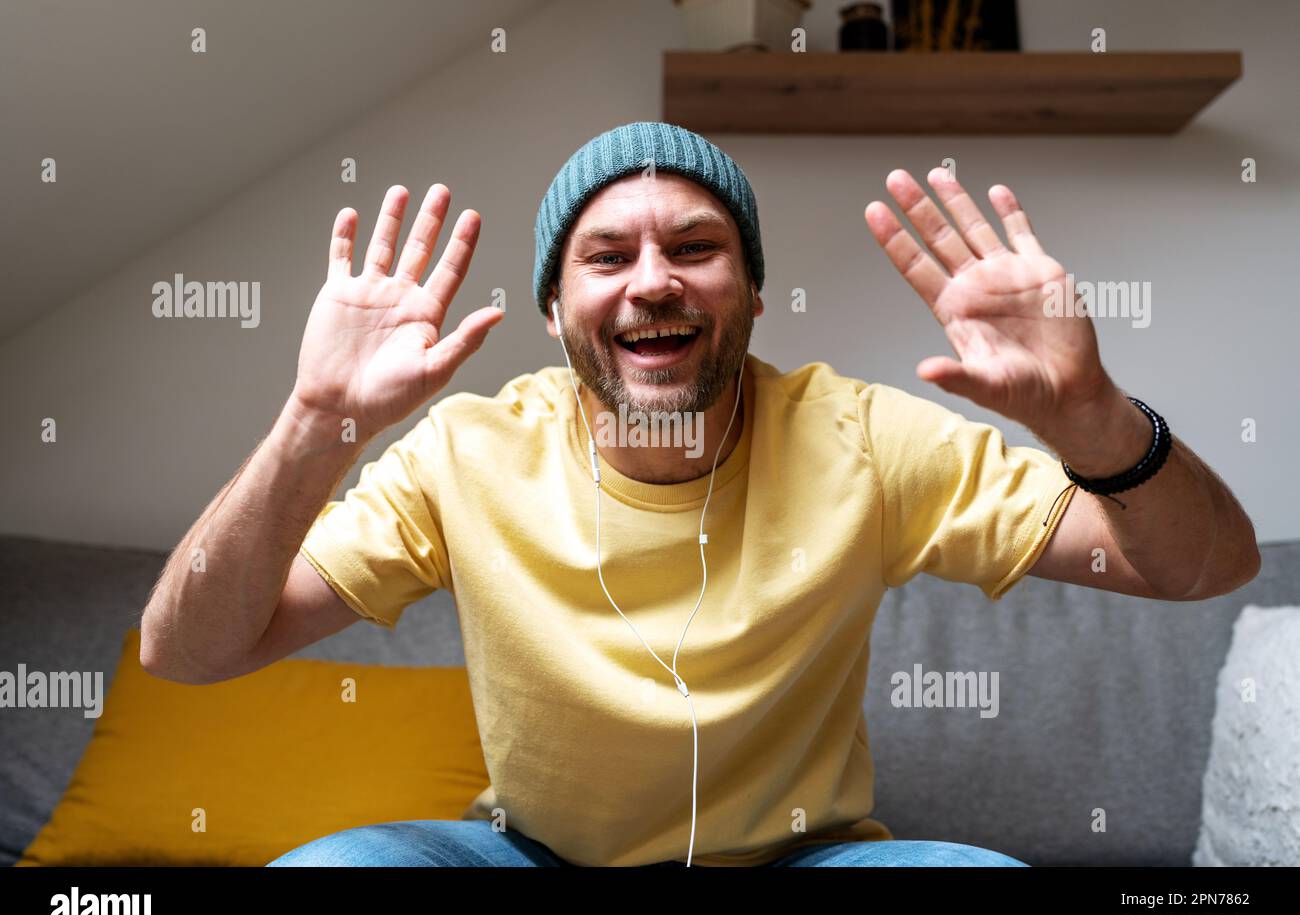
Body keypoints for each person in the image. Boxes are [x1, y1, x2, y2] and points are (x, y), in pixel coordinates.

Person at [142, 121, 1260, 868]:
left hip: (807, 859)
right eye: (605, 255)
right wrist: (313, 418)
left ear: (752, 295)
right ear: (555, 311)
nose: (652, 280)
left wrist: (1091, 413)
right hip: (533, 859)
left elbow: (1210, 567)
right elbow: (186, 651)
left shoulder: (862, 438)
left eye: (694, 246)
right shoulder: (469, 452)